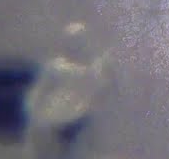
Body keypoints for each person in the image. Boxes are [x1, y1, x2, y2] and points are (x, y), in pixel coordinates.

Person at [24, 22, 111, 159]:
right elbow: (39, 91)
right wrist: (33, 113)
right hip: (53, 119)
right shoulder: (55, 66)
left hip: (79, 121)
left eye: (79, 40)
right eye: (73, 40)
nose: (76, 44)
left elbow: (99, 87)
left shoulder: (93, 68)